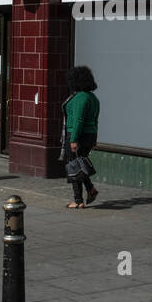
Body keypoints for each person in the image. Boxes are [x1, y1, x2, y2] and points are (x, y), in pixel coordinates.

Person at [62, 65, 100, 208]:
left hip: (77, 134)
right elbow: (95, 120)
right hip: (89, 135)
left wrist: (73, 139)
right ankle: (90, 189)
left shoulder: (80, 98)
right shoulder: (93, 97)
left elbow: (79, 120)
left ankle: (78, 200)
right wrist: (94, 138)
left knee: (73, 166)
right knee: (80, 165)